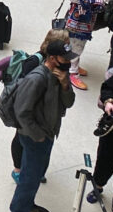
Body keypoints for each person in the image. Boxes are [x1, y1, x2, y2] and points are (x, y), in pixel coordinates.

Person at [7, 41, 75, 212]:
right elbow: (22, 112)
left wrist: (65, 84)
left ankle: (27, 204)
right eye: (64, 59)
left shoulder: (60, 76)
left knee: (37, 173)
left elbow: (69, 102)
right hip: (34, 137)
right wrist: (38, 136)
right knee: (29, 176)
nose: (68, 62)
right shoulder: (36, 79)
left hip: (48, 133)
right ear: (52, 58)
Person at [6, 29, 70, 184]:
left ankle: (35, 171)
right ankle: (18, 169)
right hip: (30, 114)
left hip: (47, 117)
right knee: (20, 139)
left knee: (39, 150)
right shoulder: (35, 63)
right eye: (65, 44)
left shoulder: (61, 66)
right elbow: (23, 97)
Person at [64, 0, 105, 91]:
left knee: (81, 43)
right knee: (76, 43)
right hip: (79, 16)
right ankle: (72, 72)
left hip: (89, 15)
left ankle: (73, 65)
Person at [86, 62, 113, 212]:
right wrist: (109, 102)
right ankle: (98, 186)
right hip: (111, 130)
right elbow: (107, 87)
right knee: (104, 159)